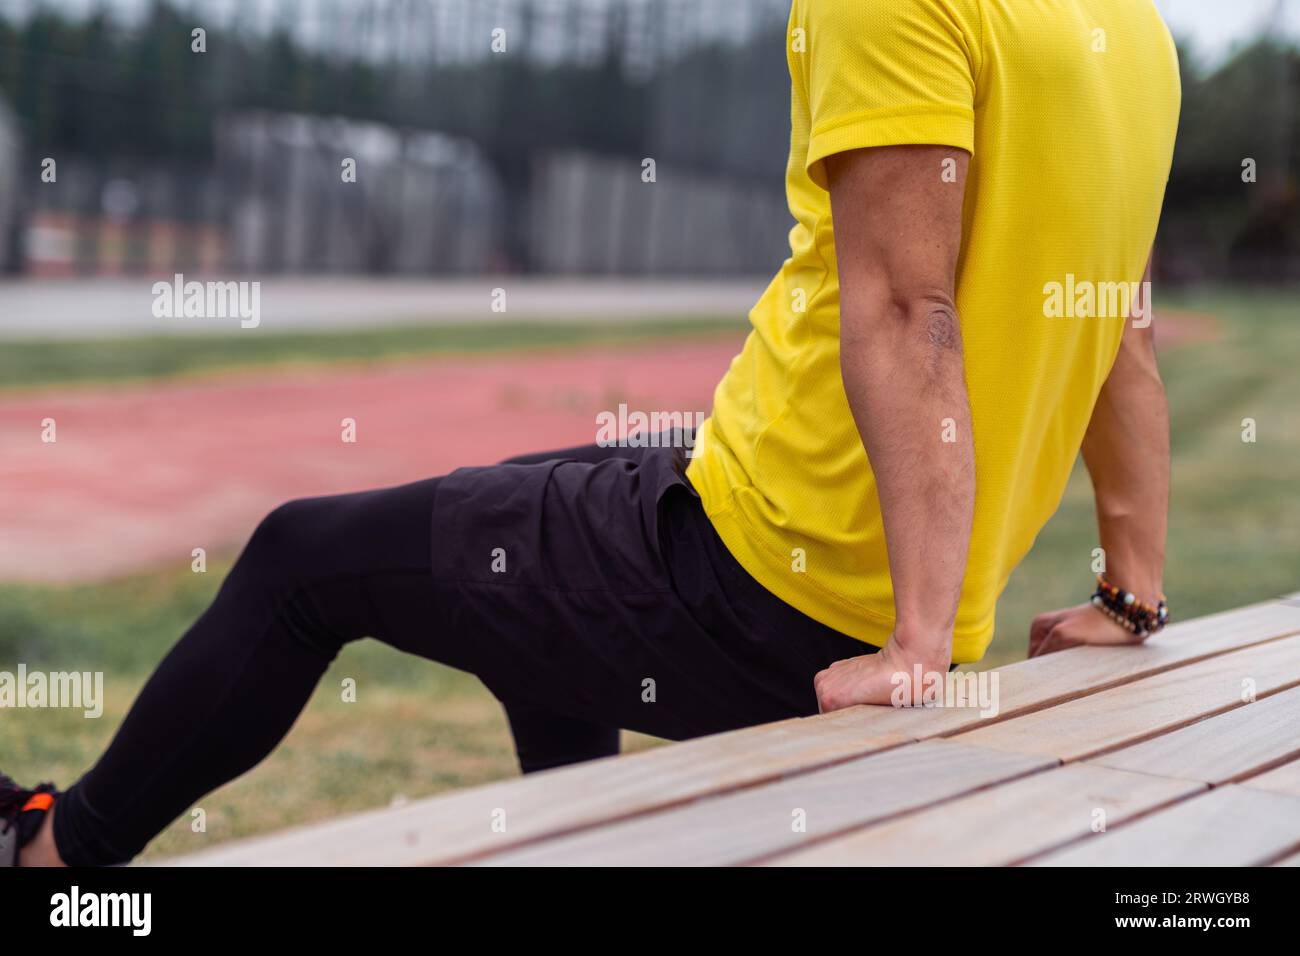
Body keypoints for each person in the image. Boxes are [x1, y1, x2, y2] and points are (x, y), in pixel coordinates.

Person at [2, 0, 1181, 866]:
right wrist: (1130, 594)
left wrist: (917, 650)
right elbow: (1117, 331)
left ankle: (53, 862)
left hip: (770, 574)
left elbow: (899, 306)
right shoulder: (1130, 35)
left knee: (300, 560)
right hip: (797, 542)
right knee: (512, 508)